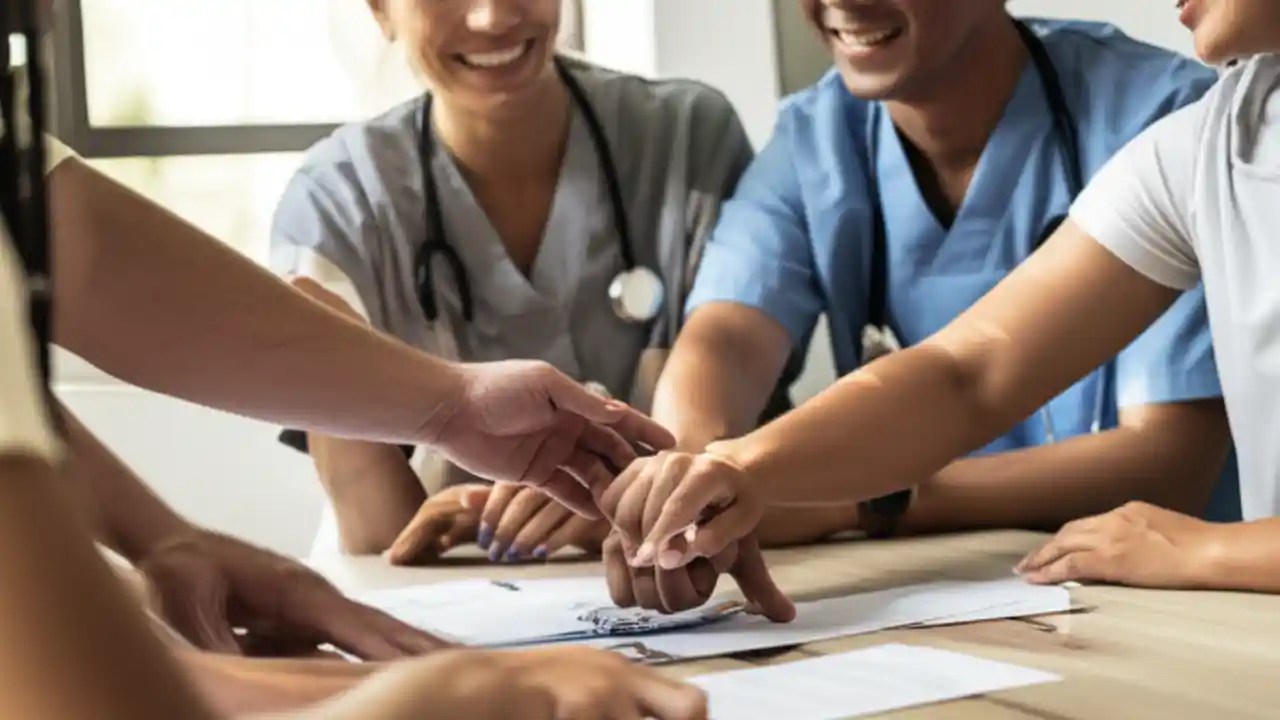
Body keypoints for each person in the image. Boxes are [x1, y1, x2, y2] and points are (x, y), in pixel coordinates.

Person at [1, 1, 708, 715]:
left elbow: (79, 251)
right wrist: (426, 699)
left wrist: (165, 541)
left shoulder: (680, 129)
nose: (492, 16)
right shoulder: (343, 185)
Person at [602, 0, 1280, 606]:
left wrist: (1207, 549)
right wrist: (732, 471)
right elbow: (969, 370)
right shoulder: (1215, 137)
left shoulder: (1163, 112)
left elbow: (1166, 460)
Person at [269, 0, 797, 567]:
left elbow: (736, 434)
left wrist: (619, 504)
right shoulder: (335, 203)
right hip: (459, 600)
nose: (492, 18)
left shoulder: (688, 137)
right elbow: (381, 535)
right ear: (380, 10)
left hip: (689, 569)